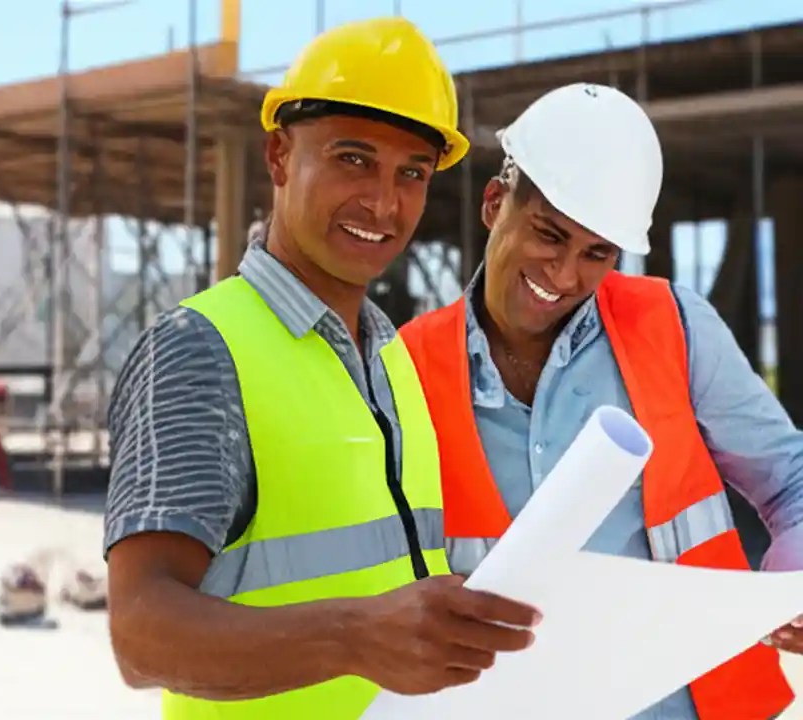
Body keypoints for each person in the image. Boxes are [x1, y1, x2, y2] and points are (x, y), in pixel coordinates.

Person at [102, 17, 541, 719]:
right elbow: (141, 637)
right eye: (353, 159)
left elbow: (388, 573)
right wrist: (356, 636)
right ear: (278, 157)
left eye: (412, 174)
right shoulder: (199, 348)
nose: (383, 203)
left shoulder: (390, 357)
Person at [398, 82, 803, 719]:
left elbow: (790, 479)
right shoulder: (405, 369)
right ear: (494, 202)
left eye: (597, 254)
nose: (564, 275)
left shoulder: (676, 325)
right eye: (548, 234)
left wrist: (794, 581)